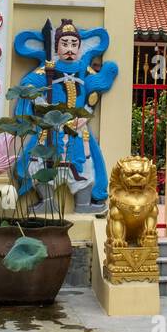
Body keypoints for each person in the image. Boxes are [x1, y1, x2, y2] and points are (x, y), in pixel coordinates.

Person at [14, 20, 119, 215]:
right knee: (39, 163)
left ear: (79, 47)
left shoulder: (83, 70)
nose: (69, 48)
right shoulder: (47, 70)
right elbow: (28, 86)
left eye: (73, 44)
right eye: (64, 43)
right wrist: (43, 107)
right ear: (56, 47)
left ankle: (83, 204)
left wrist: (85, 115)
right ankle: (47, 201)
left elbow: (92, 93)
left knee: (85, 165)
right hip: (51, 128)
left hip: (78, 129)